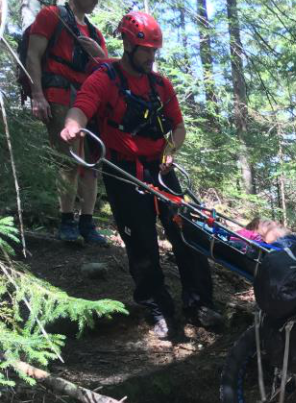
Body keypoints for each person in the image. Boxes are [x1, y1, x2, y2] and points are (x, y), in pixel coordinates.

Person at [60, 11, 222, 339]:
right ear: (128, 44)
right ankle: (157, 307)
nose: (150, 57)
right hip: (122, 171)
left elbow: (178, 127)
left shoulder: (160, 85)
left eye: (154, 51)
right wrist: (73, 124)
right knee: (141, 242)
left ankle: (199, 302)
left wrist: (170, 151)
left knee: (186, 232)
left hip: (160, 170)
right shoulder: (105, 78)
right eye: (145, 50)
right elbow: (83, 104)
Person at [26, 0, 107, 244]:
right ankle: (66, 220)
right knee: (67, 160)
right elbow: (33, 54)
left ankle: (87, 222)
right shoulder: (52, 15)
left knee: (91, 163)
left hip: (88, 101)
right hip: (59, 94)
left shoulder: (95, 33)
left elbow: (106, 70)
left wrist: (99, 54)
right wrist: (37, 94)